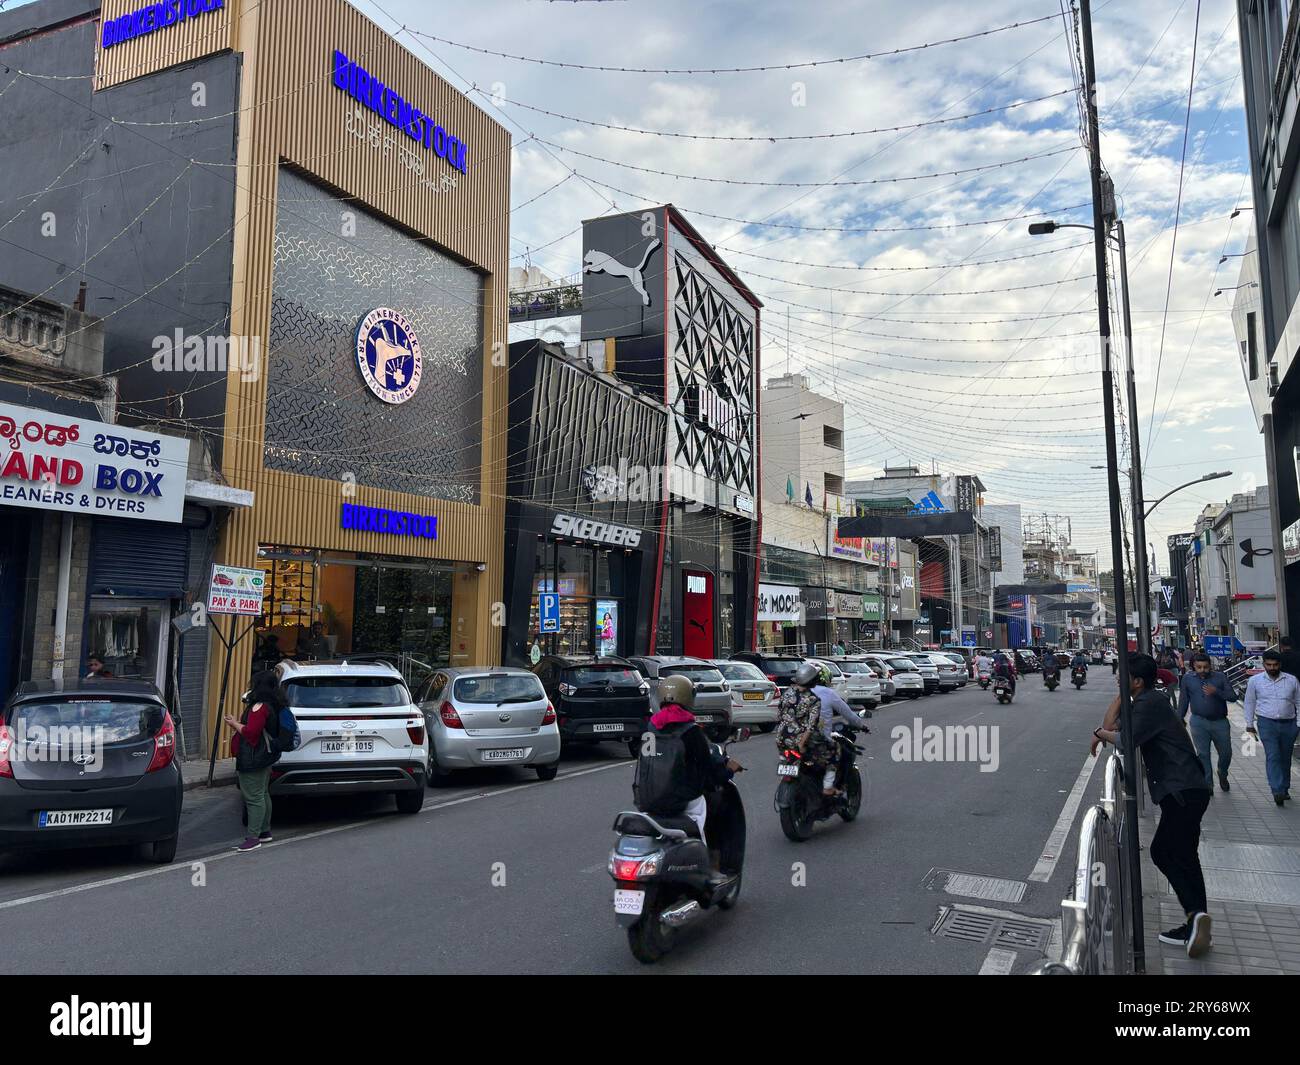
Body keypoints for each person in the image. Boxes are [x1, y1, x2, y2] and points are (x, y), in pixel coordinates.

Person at [1091, 653, 1212, 958]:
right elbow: (1112, 724)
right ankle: (1197, 920)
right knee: (1184, 855)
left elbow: (1120, 738)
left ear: (1137, 681)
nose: (1118, 680)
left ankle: (1195, 916)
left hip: (1181, 789)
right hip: (1187, 789)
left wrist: (1098, 735)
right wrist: (1115, 708)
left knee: (1163, 851)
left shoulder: (1149, 704)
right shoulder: (1146, 701)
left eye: (1123, 677)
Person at [640, 674, 740, 846]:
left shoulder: (651, 727)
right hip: (681, 800)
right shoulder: (690, 731)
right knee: (715, 812)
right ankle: (709, 860)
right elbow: (709, 774)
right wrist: (729, 771)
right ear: (688, 697)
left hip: (647, 799)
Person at [224, 669, 283, 852]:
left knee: (253, 797)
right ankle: (264, 832)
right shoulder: (274, 704)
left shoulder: (259, 707)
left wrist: (234, 723)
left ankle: (253, 837)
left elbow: (251, 733)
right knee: (263, 793)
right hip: (265, 756)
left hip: (252, 757)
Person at [1243, 650, 1300, 806]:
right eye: (1269, 665)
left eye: (1275, 665)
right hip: (1266, 723)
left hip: (1289, 724)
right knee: (1273, 756)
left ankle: (1284, 787)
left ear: (1280, 665)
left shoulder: (1291, 680)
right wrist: (1249, 724)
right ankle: (1277, 790)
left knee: (1285, 757)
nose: (1272, 667)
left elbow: (1299, 702)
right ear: (1264, 664)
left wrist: (1298, 724)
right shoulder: (1255, 681)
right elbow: (1249, 703)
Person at [1178, 651, 1237, 793]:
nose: (1202, 670)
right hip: (1199, 721)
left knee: (1226, 753)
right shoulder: (1187, 679)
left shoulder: (1220, 677)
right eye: (1199, 667)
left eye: (1205, 667)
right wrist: (1179, 718)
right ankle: (1207, 784)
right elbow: (1183, 700)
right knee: (1203, 754)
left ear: (1210, 666)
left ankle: (1222, 773)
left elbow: (1233, 697)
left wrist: (1216, 691)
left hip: (1220, 722)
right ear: (1193, 667)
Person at [810, 665, 871, 796]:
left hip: (794, 739)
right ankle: (828, 787)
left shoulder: (798, 692)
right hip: (817, 740)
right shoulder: (828, 693)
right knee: (838, 753)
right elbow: (848, 714)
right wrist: (862, 726)